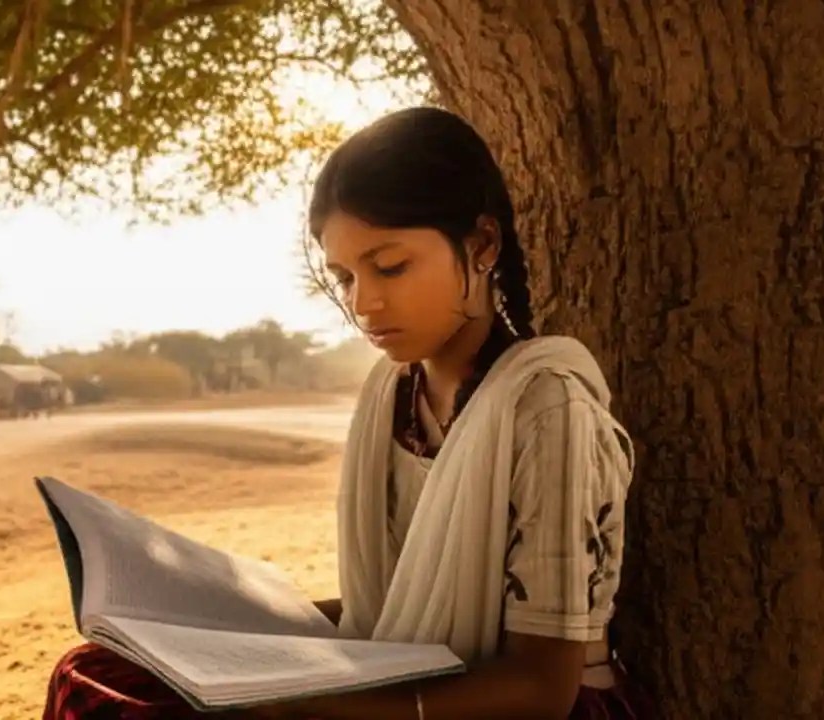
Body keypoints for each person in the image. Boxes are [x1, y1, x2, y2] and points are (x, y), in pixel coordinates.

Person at [39, 107, 653, 719]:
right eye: (344, 277)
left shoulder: (547, 409)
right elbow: (388, 613)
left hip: (510, 706)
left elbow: (541, 689)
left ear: (483, 244)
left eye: (390, 266)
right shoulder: (392, 396)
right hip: (408, 672)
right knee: (95, 674)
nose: (366, 301)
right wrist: (206, 637)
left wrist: (309, 710)